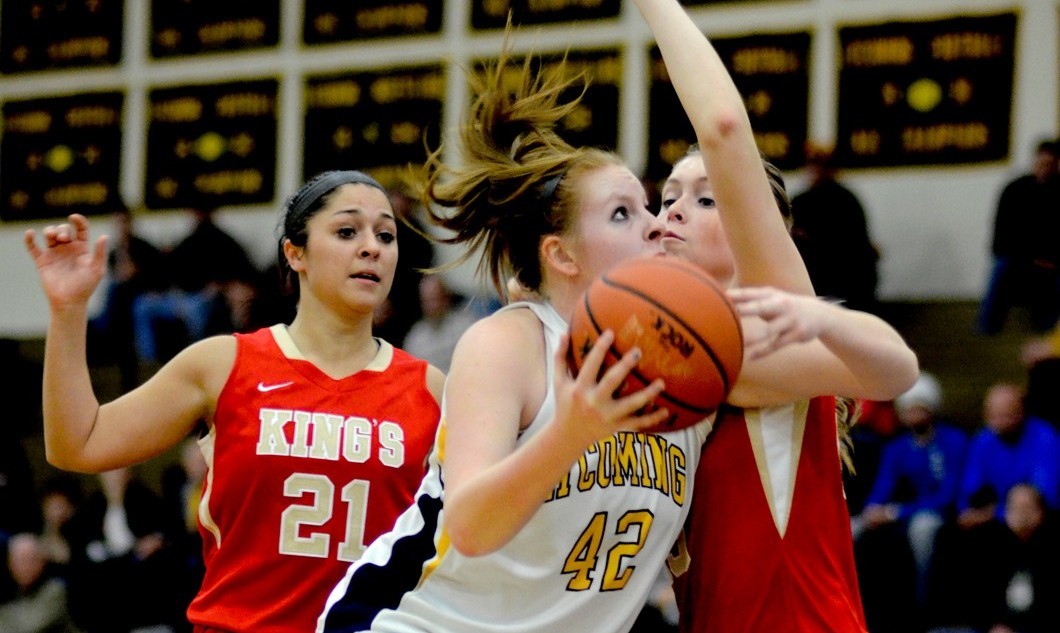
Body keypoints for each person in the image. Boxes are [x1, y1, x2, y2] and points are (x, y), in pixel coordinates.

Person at [318, 3, 917, 631]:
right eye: (633, 211)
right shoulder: (513, 341)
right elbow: (469, 525)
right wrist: (569, 432)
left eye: (700, 199)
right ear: (563, 253)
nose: (663, 220)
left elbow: (891, 370)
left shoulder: (701, 366)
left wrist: (822, 319)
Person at [22, 169, 445, 632]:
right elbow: (76, 444)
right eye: (347, 231)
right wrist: (67, 312)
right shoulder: (223, 363)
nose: (372, 247)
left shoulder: (431, 389)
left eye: (386, 234)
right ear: (295, 252)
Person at [639, 3, 917, 631]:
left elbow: (723, 127)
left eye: (708, 199)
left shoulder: (757, 335)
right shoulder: (660, 356)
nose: (675, 211)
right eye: (668, 197)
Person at [852, 372, 968, 628]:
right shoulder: (897, 447)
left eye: (920, 409)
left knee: (922, 529)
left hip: (932, 512)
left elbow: (947, 495)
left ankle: (923, 599)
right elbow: (883, 485)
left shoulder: (952, 441)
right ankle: (849, 601)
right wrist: (873, 508)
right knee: (852, 528)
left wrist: (896, 513)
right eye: (909, 410)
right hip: (904, 511)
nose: (914, 415)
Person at [131, 207, 258, 364]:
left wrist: (218, 287)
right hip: (177, 297)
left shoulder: (222, 241)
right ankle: (147, 363)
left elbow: (239, 273)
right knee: (143, 305)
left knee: (195, 311)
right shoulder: (187, 241)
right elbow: (168, 271)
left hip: (200, 299)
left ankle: (195, 361)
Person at [978, 138, 1060, 335]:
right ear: (1034, 161)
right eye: (1042, 163)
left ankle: (1049, 330)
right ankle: (987, 328)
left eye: (1050, 164)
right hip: (1019, 258)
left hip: (1051, 260)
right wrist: (1032, 258)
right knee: (1001, 267)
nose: (1045, 169)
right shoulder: (1015, 190)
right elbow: (1002, 235)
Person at [790, 142, 880, 313]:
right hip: (843, 289)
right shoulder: (847, 199)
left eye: (818, 164)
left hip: (832, 286)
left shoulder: (843, 201)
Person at [957, 382, 1060, 528]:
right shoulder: (983, 440)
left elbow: (1045, 493)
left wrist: (997, 512)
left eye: (1007, 415)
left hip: (1036, 518)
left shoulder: (1044, 437)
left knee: (1022, 500)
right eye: (995, 416)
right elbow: (969, 489)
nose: (1001, 423)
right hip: (993, 515)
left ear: (1021, 411)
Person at [87, 199, 164, 389]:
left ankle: (106, 326)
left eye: (124, 222)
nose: (121, 227)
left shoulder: (143, 248)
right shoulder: (114, 252)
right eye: (117, 223)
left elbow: (150, 278)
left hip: (139, 298)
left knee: (117, 292)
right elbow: (118, 276)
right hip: (122, 305)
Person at [0, 533, 80, 633]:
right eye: (21, 560)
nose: (26, 567)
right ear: (10, 565)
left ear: (42, 561)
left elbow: (28, 628)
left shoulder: (56, 590)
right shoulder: (13, 592)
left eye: (31, 560)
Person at [402, 276, 480, 372]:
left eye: (434, 299)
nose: (431, 306)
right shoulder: (415, 339)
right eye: (427, 301)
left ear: (446, 298)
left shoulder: (466, 325)